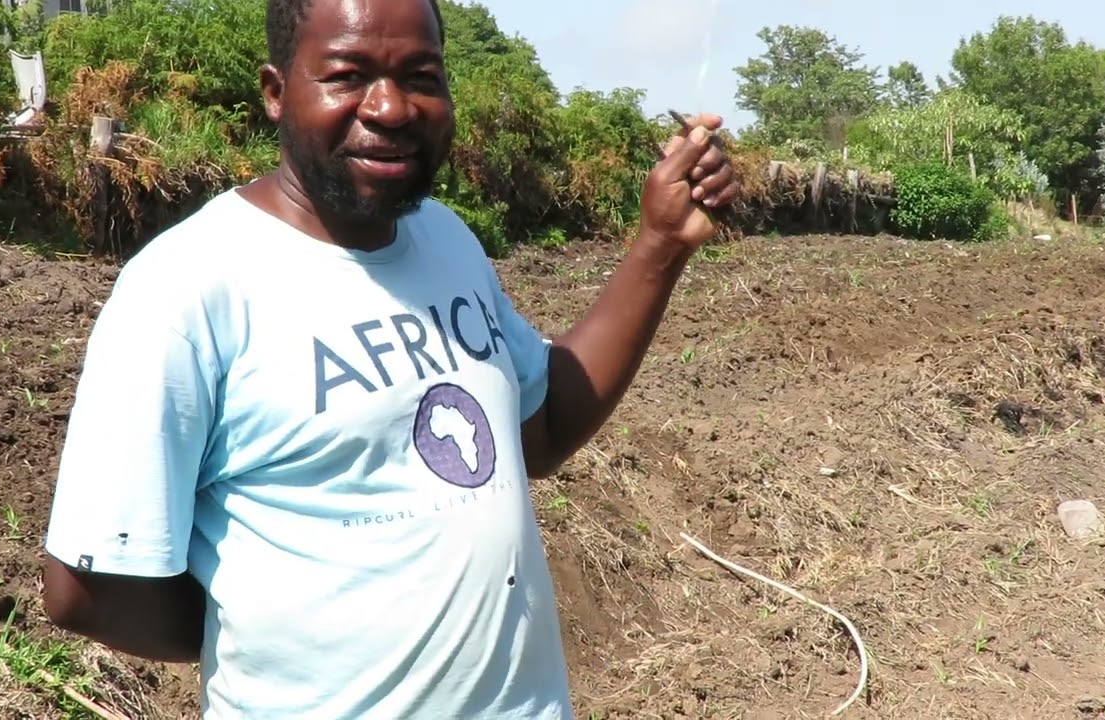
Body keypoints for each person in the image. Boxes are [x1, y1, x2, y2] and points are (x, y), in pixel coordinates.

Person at [39, 0, 739, 716]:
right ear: (277, 92)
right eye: (348, 74)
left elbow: (545, 425)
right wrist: (266, 632)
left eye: (421, 75)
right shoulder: (188, 288)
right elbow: (89, 589)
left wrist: (660, 244)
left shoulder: (447, 240)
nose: (390, 107)